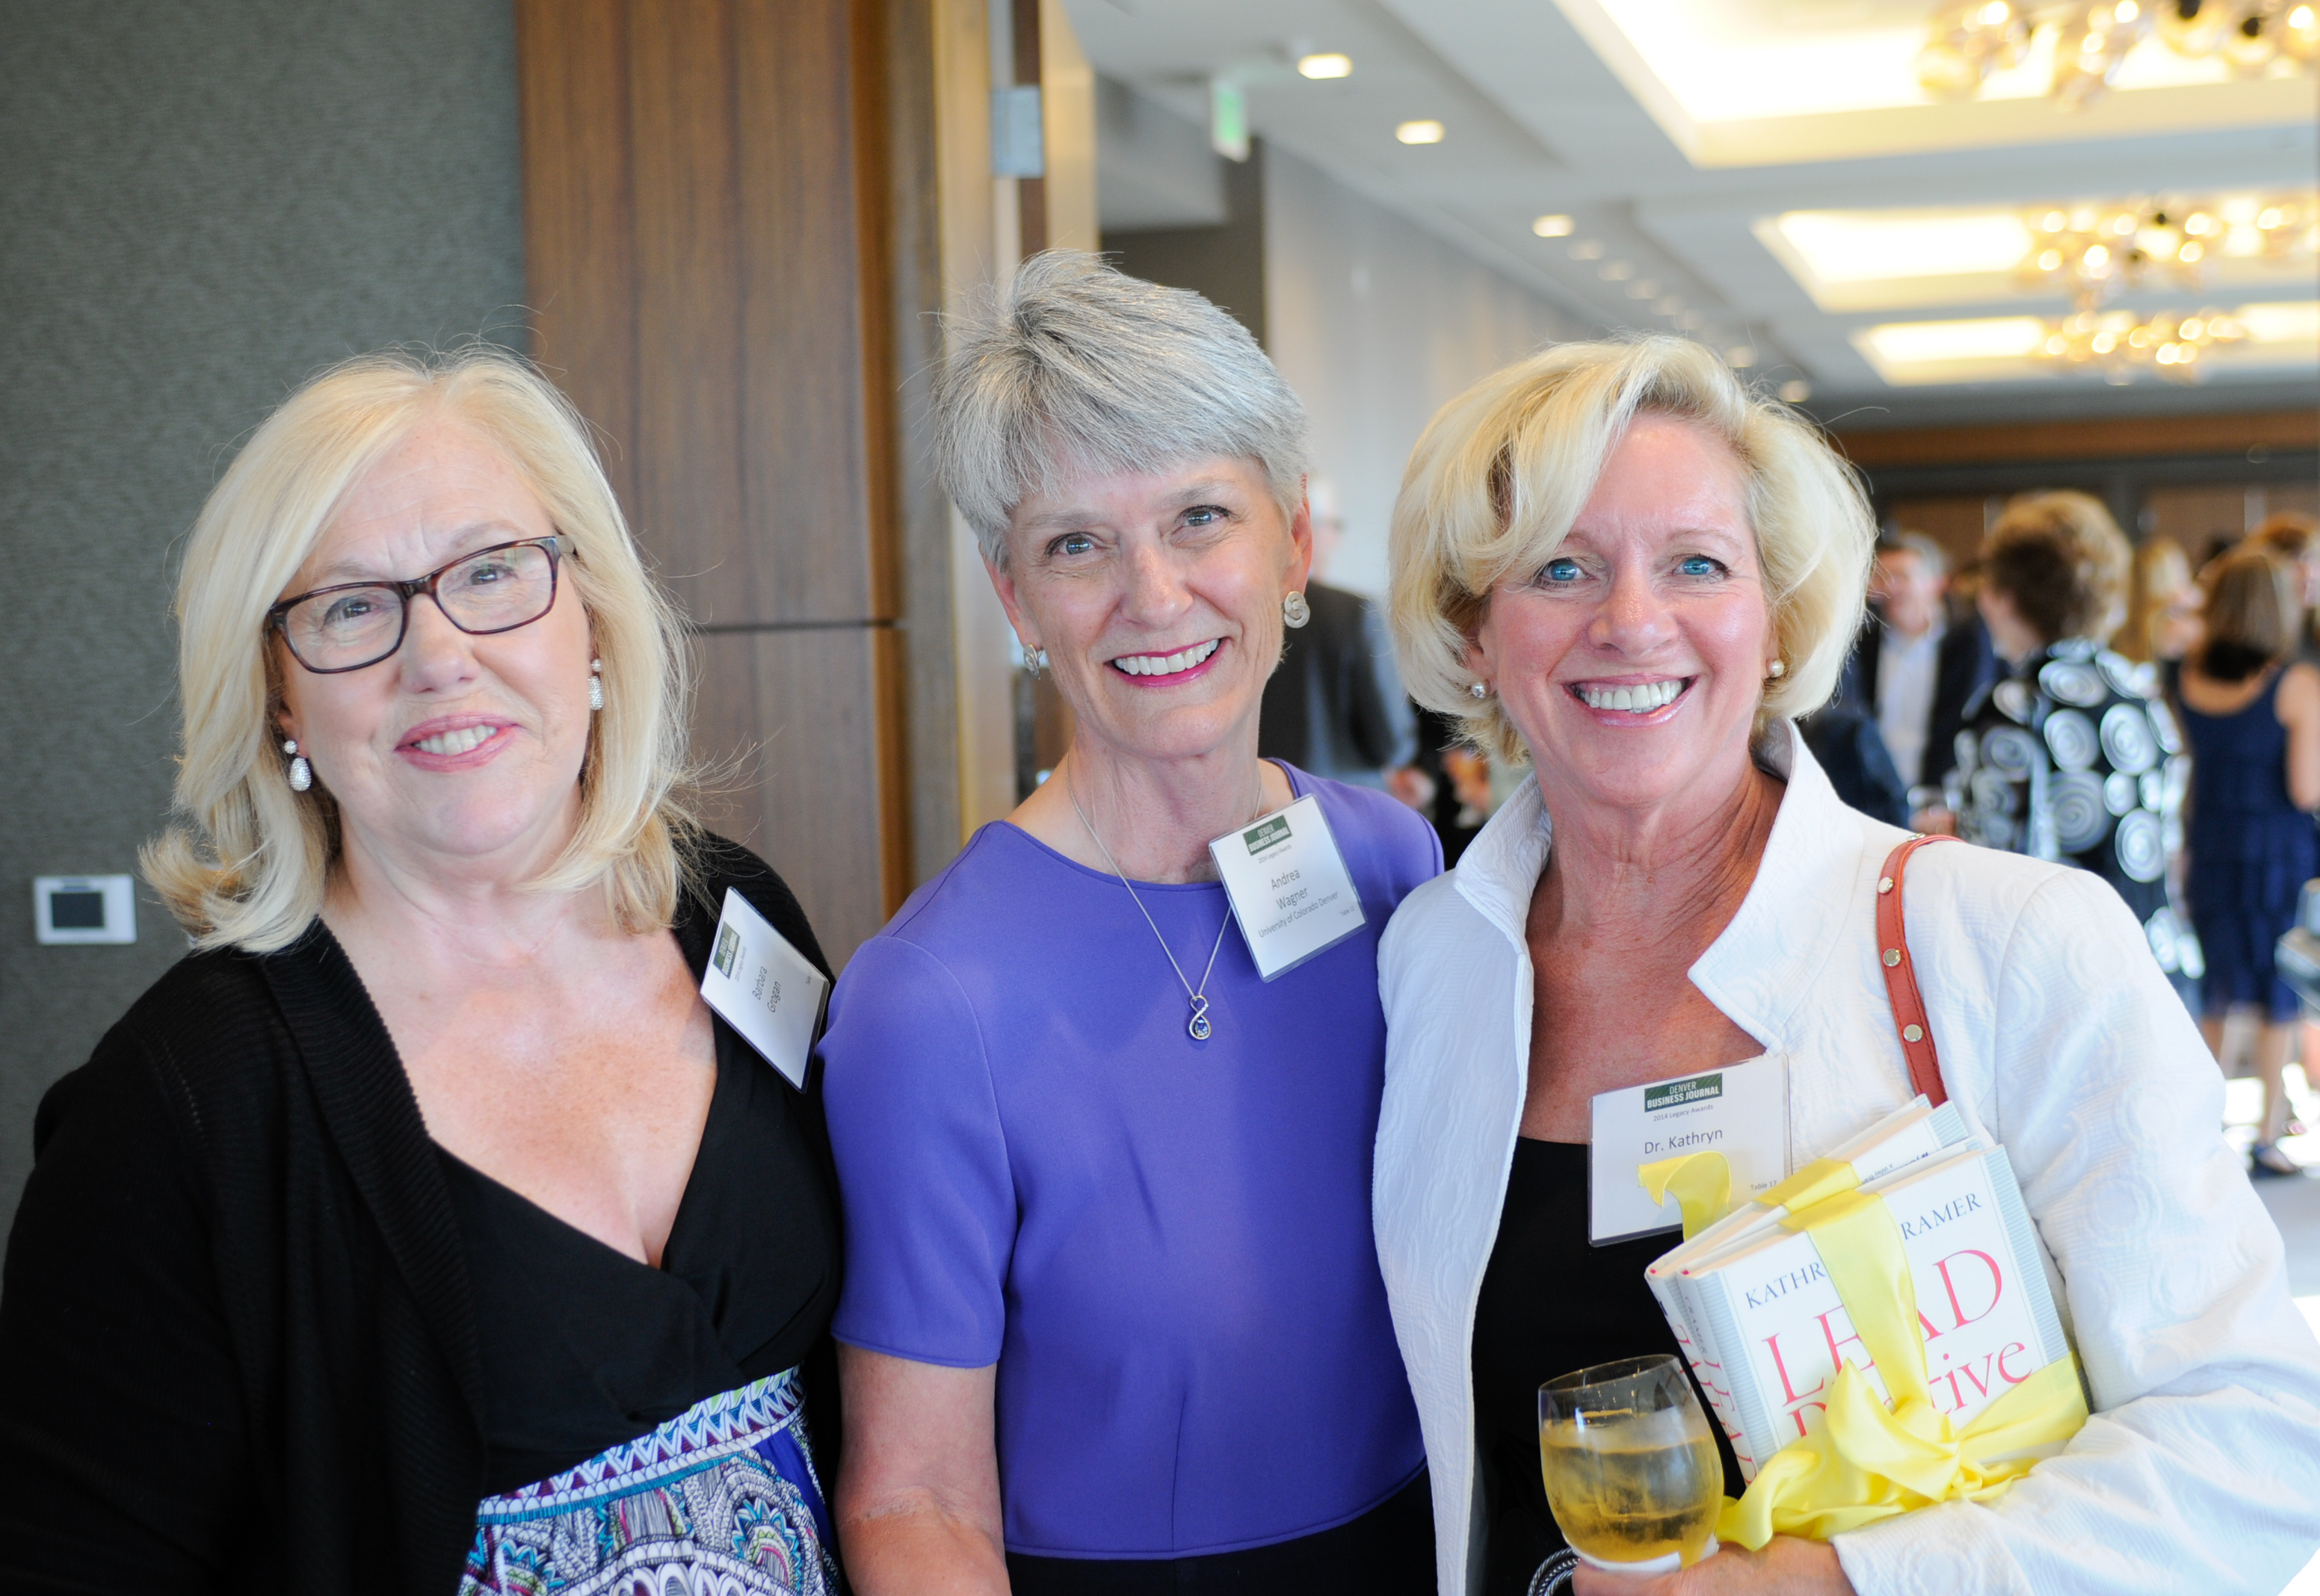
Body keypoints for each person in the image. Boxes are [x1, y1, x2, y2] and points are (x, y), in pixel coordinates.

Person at [1372, 335, 2320, 1596]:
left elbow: (2249, 1438)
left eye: (1695, 564)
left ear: (1775, 617)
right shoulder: (1431, 959)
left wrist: (1838, 1585)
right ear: (1472, 631)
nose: (1629, 621)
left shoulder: (2004, 942)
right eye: (1559, 566)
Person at [0, 349, 845, 1595]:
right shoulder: (178, 1109)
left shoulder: (730, 911)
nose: (438, 653)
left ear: (592, 617)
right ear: (280, 699)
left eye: (493, 572)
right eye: (349, 606)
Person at [821, 252, 1438, 1595]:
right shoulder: (931, 998)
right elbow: (915, 1498)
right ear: (1012, 598)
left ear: (1295, 544)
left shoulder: (1390, 865)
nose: (1151, 596)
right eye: (1076, 544)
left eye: (1198, 517)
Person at [1949, 492, 2197, 980]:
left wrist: (1949, 829)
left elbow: (1994, 864)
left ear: (2002, 597)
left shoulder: (2016, 705)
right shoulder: (2137, 690)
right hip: (2153, 958)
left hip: (2065, 972)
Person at [2179, 547, 2320, 1178]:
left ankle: (2199, 1129)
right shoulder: (2293, 683)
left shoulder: (2185, 676)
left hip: (2210, 847)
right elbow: (2306, 789)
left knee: (2219, 990)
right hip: (2278, 853)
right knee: (2278, 995)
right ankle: (2266, 1136)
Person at [1258, 477, 1419, 788]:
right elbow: (1391, 741)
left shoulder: (1242, 612)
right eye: (1332, 525)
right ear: (1303, 530)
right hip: (1343, 810)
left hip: (1259, 805)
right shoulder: (1354, 613)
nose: (1336, 538)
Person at [1840, 532, 1996, 808]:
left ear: (1936, 582)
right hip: (1876, 796)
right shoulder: (1859, 643)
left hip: (1945, 798)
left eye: (1902, 576)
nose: (1889, 586)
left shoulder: (1970, 641)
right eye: (1881, 576)